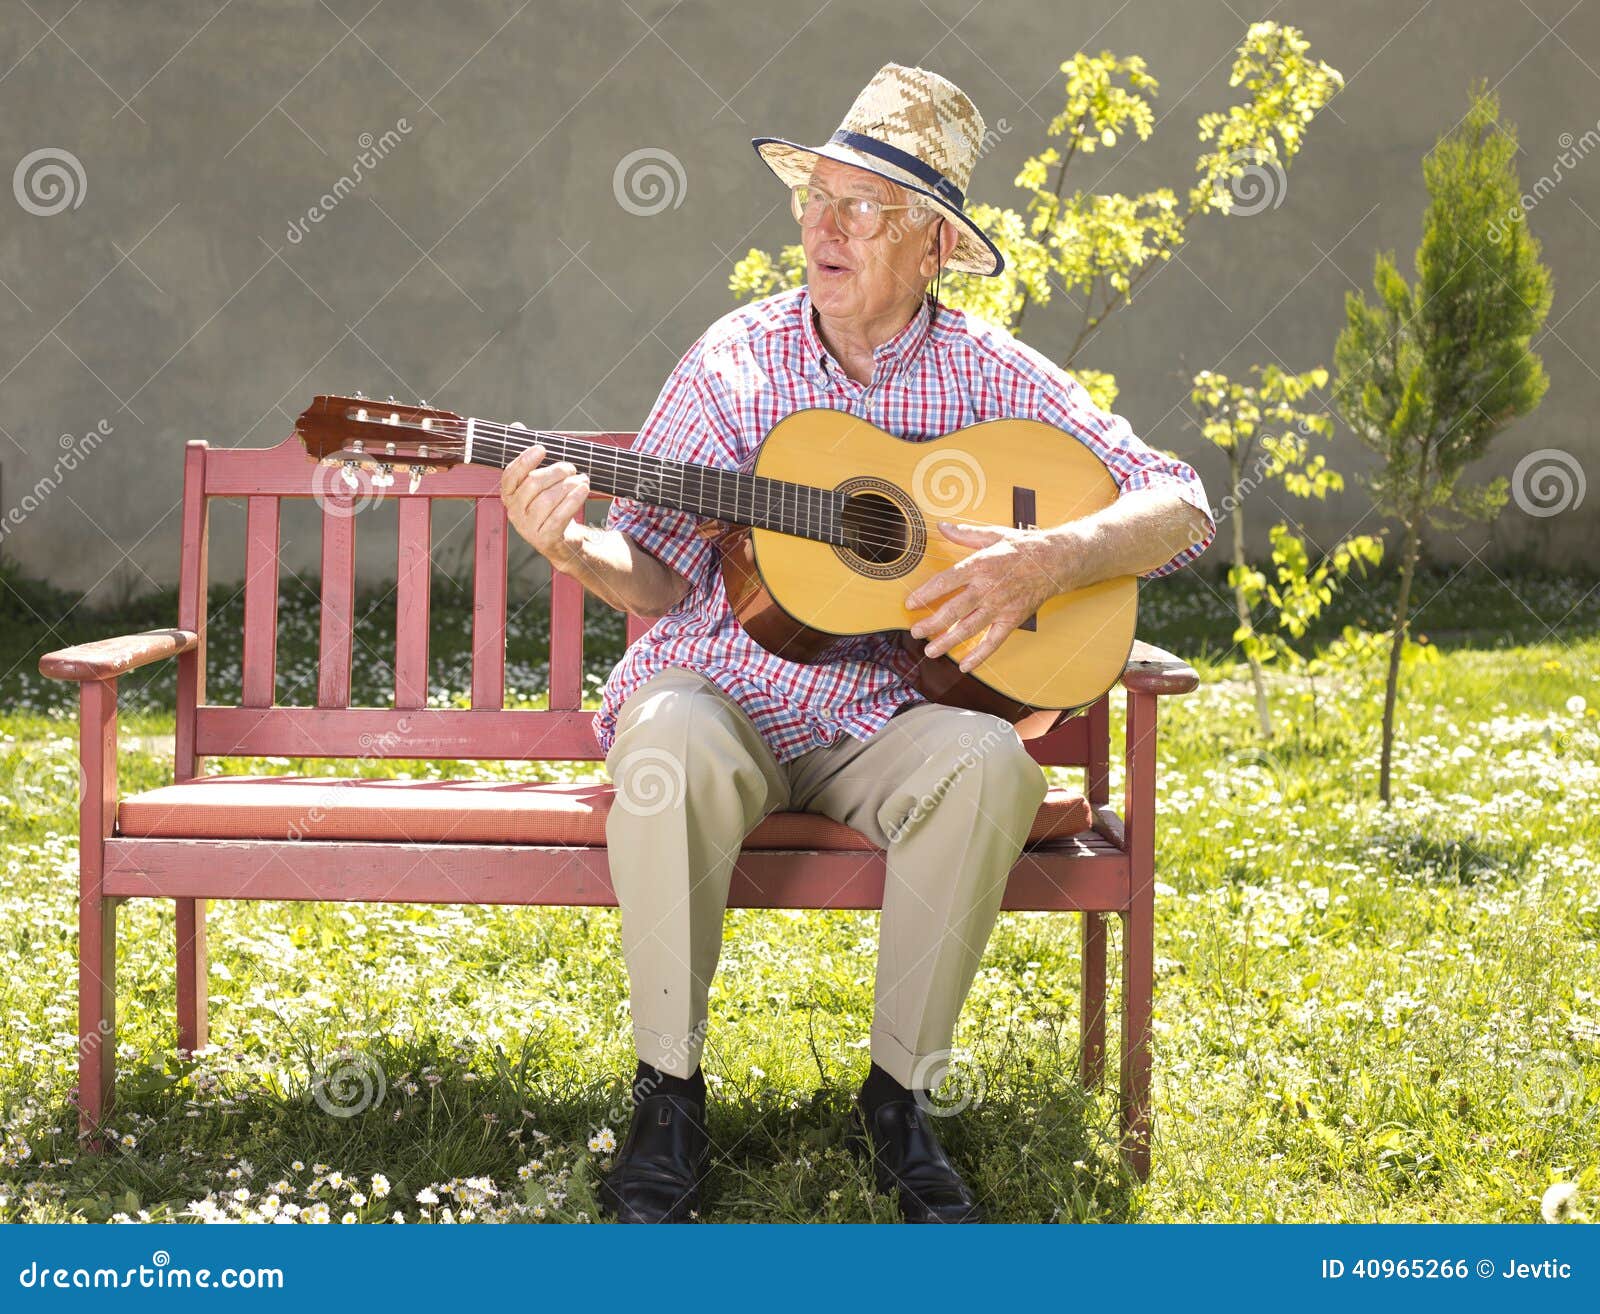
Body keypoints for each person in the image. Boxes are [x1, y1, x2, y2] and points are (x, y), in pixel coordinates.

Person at [499, 62, 1215, 1223]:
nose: (822, 230)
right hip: (720, 695)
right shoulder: (734, 357)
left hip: (882, 725)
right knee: (665, 739)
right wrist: (577, 549)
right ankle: (667, 1098)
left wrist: (1048, 559)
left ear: (933, 242)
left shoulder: (992, 375)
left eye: (861, 208)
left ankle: (898, 1103)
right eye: (812, 199)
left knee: (991, 765)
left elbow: (1178, 501)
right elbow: (654, 569)